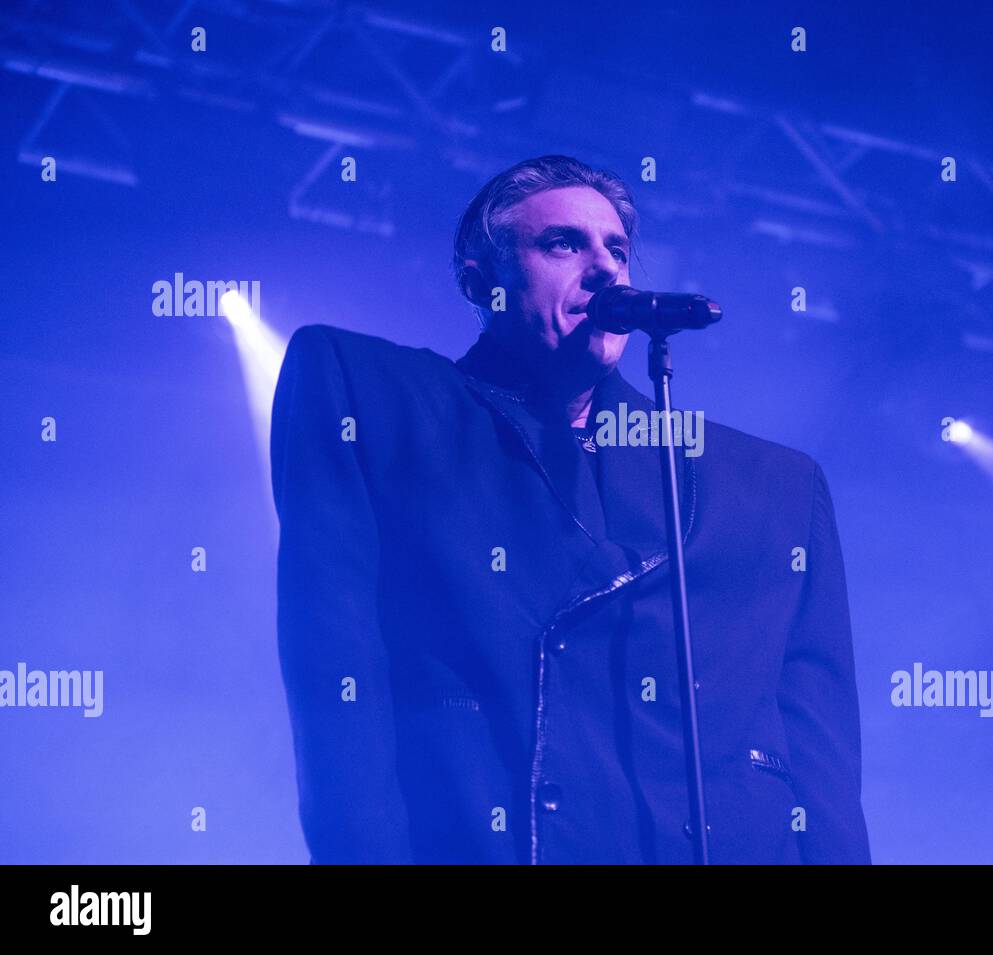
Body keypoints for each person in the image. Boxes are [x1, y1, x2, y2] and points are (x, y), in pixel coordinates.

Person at [271, 154, 871, 864]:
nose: (605, 269)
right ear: (480, 281)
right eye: (563, 244)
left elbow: (820, 768)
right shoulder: (376, 399)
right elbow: (337, 685)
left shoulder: (773, 485)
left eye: (617, 249)